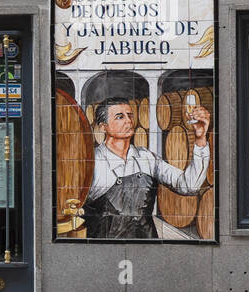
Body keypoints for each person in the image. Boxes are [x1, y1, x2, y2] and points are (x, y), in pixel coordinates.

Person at [85, 95, 210, 238]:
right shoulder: (91, 162)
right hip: (106, 248)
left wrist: (200, 139)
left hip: (147, 243)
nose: (128, 121)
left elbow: (189, 186)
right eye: (120, 117)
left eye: (130, 115)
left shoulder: (146, 158)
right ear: (103, 127)